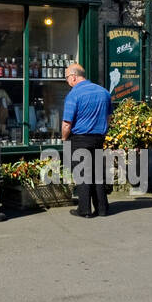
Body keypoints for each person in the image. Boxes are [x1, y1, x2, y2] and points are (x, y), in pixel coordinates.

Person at [61, 62, 112, 218]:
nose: (67, 81)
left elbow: (66, 123)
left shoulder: (74, 94)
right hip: (98, 138)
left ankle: (84, 210)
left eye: (67, 78)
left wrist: (64, 139)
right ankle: (102, 209)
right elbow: (109, 117)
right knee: (97, 174)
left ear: (74, 77)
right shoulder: (104, 92)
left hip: (80, 139)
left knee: (82, 174)